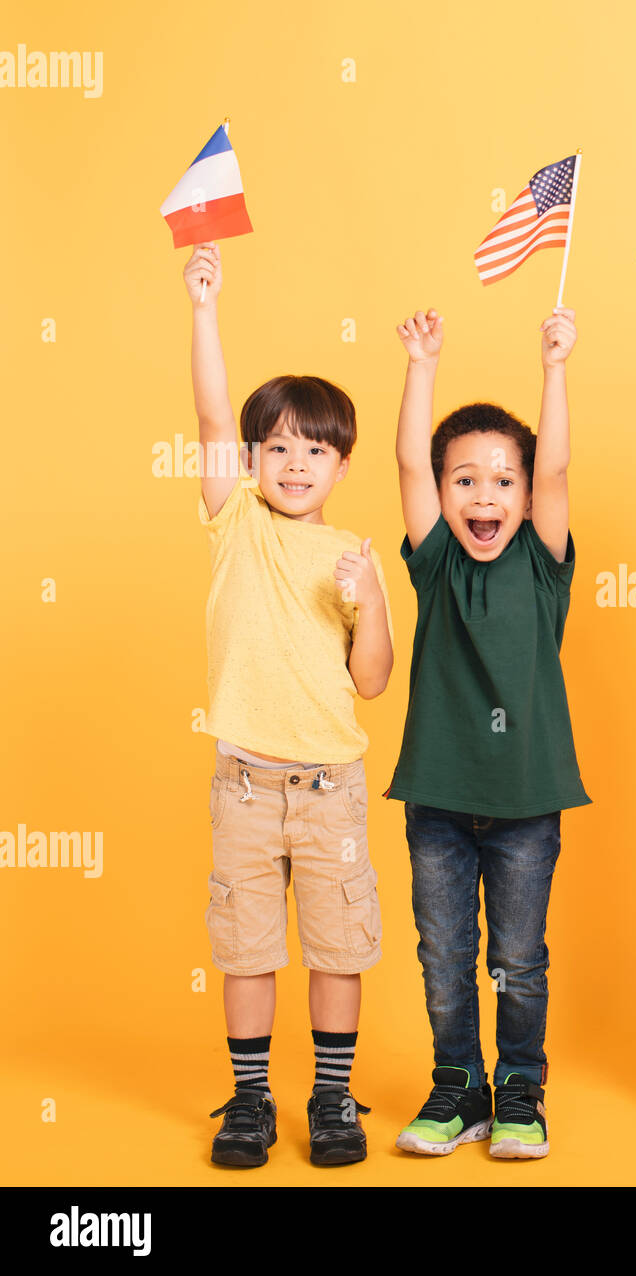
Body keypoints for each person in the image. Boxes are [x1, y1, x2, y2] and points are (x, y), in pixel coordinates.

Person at [184, 241, 394, 1168]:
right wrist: (203, 310)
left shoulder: (352, 554)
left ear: (342, 464)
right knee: (245, 946)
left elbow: (375, 679)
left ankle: (335, 1099)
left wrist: (373, 598)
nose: (295, 463)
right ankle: (250, 1101)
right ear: (254, 458)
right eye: (277, 447)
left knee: (338, 946)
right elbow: (205, 414)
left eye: (315, 450)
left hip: (330, 787)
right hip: (244, 782)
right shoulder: (237, 523)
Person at [386, 306, 589, 1161]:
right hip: (436, 799)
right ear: (440, 494)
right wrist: (422, 364)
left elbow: (560, 466)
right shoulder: (433, 561)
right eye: (464, 479)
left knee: (517, 954)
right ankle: (456, 1085)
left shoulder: (542, 560)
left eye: (505, 480)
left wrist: (553, 367)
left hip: (525, 804)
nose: (485, 496)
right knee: (443, 954)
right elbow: (405, 457)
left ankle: (519, 1090)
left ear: (529, 493)